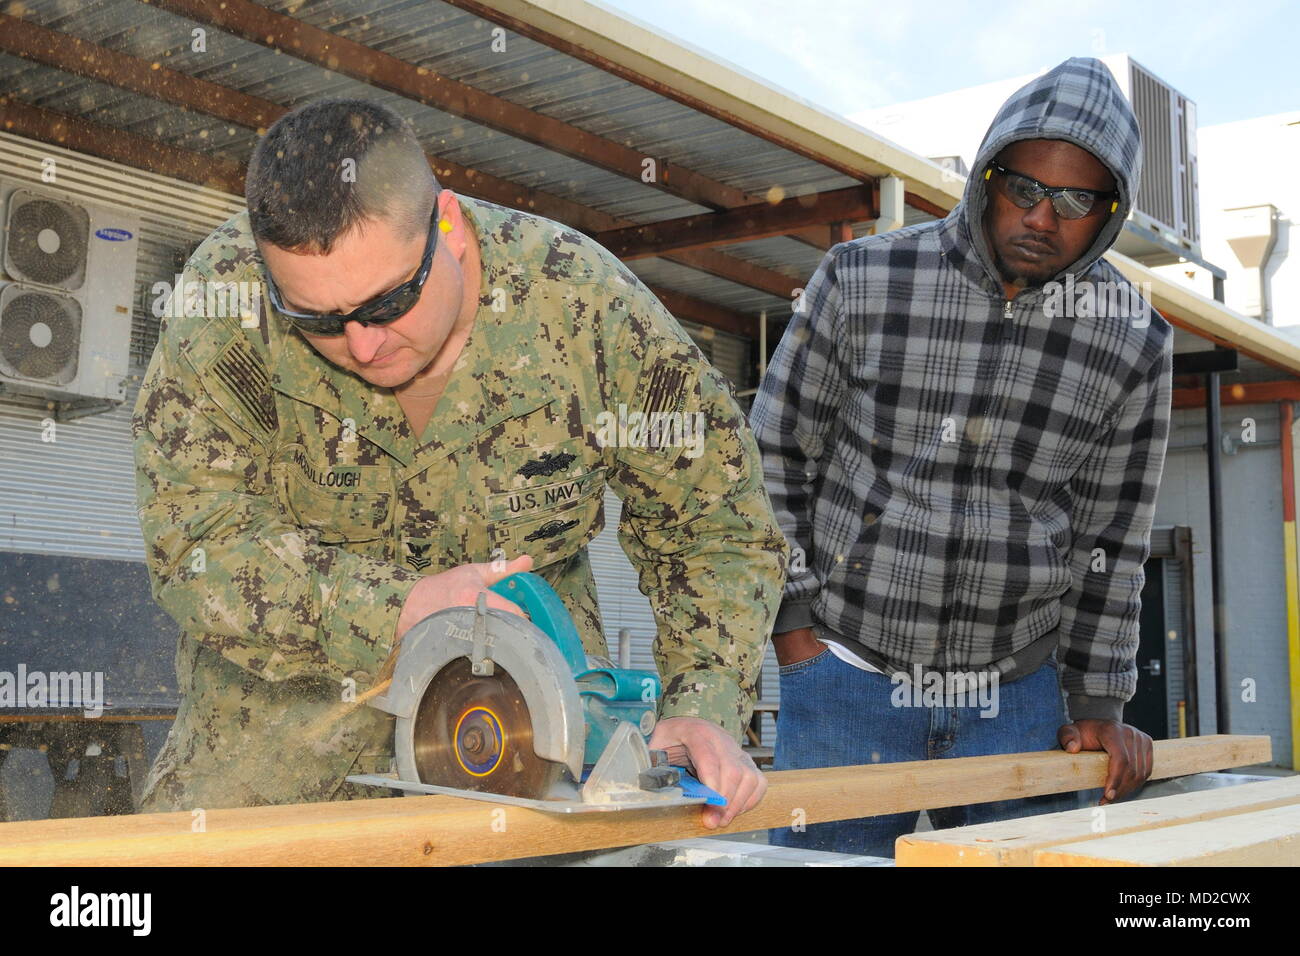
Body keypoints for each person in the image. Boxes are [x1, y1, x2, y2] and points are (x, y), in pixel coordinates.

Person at [133, 98, 787, 826]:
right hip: (273, 762)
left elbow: (716, 524)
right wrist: (396, 611)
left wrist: (702, 705)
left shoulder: (585, 309)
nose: (363, 345)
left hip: (532, 757)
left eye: (388, 303)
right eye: (317, 320)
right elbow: (196, 542)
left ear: (448, 226)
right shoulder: (226, 303)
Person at [750, 57, 1171, 857]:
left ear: (1111, 213)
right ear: (986, 176)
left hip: (1015, 701)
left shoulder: (1131, 338)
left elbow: (1113, 538)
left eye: (1077, 201)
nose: (1043, 218)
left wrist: (1098, 700)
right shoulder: (864, 278)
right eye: (1025, 188)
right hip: (847, 680)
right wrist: (795, 630)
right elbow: (772, 457)